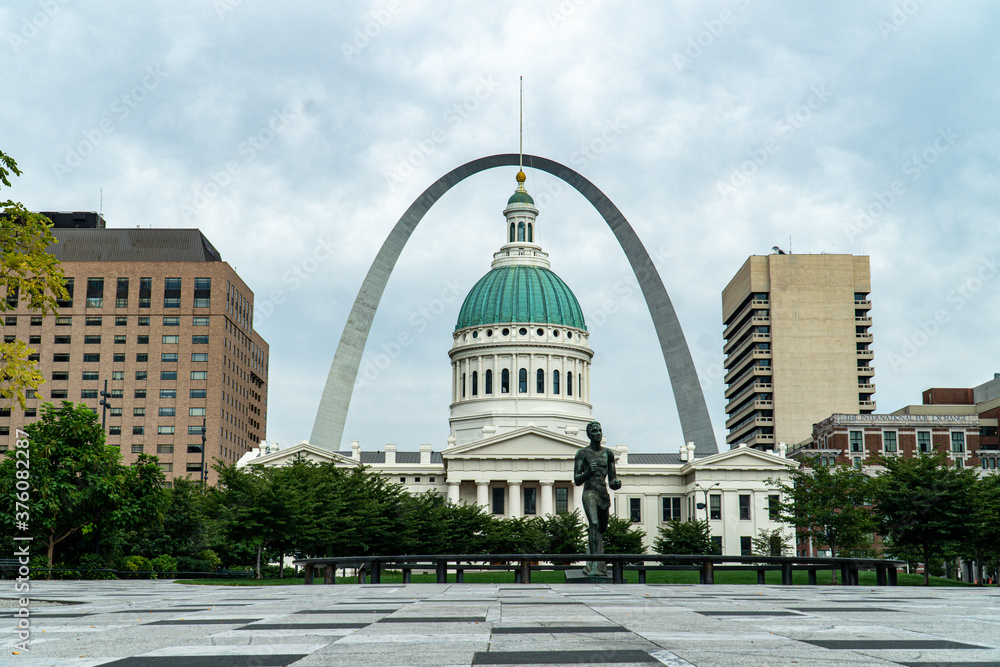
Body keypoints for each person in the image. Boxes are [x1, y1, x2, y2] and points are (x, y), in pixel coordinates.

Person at [573, 420, 621, 577]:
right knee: (593, 524)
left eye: (600, 431)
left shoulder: (608, 453)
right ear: (588, 434)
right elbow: (577, 479)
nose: (598, 433)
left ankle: (598, 564)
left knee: (601, 528)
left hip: (603, 494)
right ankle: (594, 565)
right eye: (594, 431)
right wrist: (587, 472)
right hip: (590, 493)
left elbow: (612, 480)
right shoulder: (582, 454)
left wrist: (616, 483)